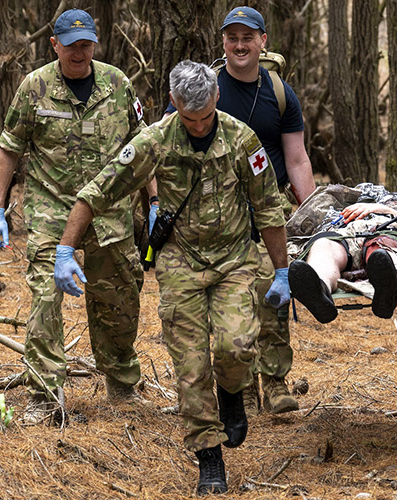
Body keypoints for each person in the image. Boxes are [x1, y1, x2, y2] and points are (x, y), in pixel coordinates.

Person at [54, 61, 290, 496]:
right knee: (191, 366)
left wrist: (281, 271)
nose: (198, 127)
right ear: (173, 104)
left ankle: (231, 391)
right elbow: (97, 191)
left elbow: (268, 206)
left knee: (236, 347)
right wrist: (65, 249)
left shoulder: (242, 139)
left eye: (205, 117)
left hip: (235, 259)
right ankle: (209, 457)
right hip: (181, 261)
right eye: (188, 118)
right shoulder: (155, 141)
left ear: (217, 98)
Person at [0, 9, 148, 425]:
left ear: (95, 43)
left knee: (119, 302)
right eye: (71, 44)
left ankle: (122, 384)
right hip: (52, 211)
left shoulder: (117, 84)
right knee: (44, 299)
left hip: (109, 215)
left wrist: (156, 203)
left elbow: (144, 148)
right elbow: (8, 150)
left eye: (86, 44)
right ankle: (43, 394)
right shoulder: (34, 87)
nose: (80, 52)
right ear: (54, 44)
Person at [163, 6, 314, 416]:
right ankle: (241, 388)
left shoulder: (280, 94)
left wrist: (312, 213)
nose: (240, 45)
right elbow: (164, 144)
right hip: (215, 212)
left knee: (272, 294)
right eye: (233, 38)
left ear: (263, 41)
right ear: (224, 42)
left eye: (248, 37)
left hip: (267, 210)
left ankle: (276, 382)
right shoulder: (205, 89)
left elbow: (296, 157)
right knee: (231, 305)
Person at [286, 183, 397, 323]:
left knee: (380, 250)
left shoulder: (393, 201)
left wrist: (379, 208)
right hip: (341, 233)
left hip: (380, 229)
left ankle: (390, 290)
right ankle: (320, 291)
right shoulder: (328, 204)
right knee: (323, 246)